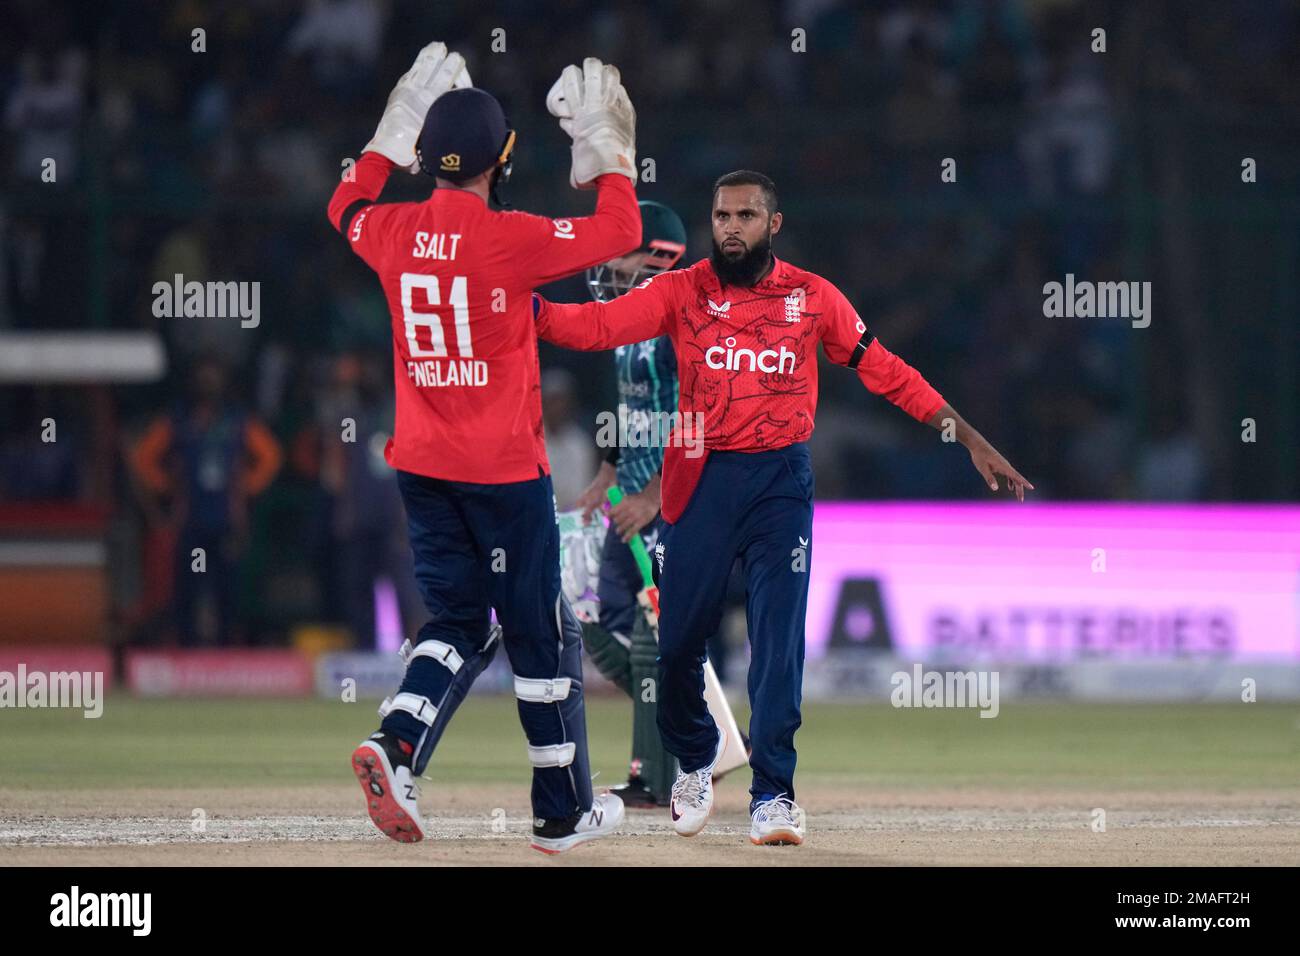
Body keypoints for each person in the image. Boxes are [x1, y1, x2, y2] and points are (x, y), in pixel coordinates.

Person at [535, 169, 1032, 846]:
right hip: (699, 480)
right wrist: (519, 308)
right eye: (721, 216)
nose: (730, 227)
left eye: (745, 215)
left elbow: (885, 368)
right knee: (678, 643)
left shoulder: (813, 296)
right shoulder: (679, 292)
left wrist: (967, 436)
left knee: (777, 643)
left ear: (773, 224)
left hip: (779, 485)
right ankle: (695, 757)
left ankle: (774, 794)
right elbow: (593, 327)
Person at [326, 42, 641, 853]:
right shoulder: (514, 239)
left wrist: (387, 137)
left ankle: (396, 746)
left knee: (460, 620)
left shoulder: (389, 231)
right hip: (503, 476)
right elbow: (622, 228)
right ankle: (561, 812)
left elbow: (344, 206)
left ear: (428, 158)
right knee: (542, 636)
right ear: (503, 159)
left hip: (423, 471)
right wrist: (605, 144)